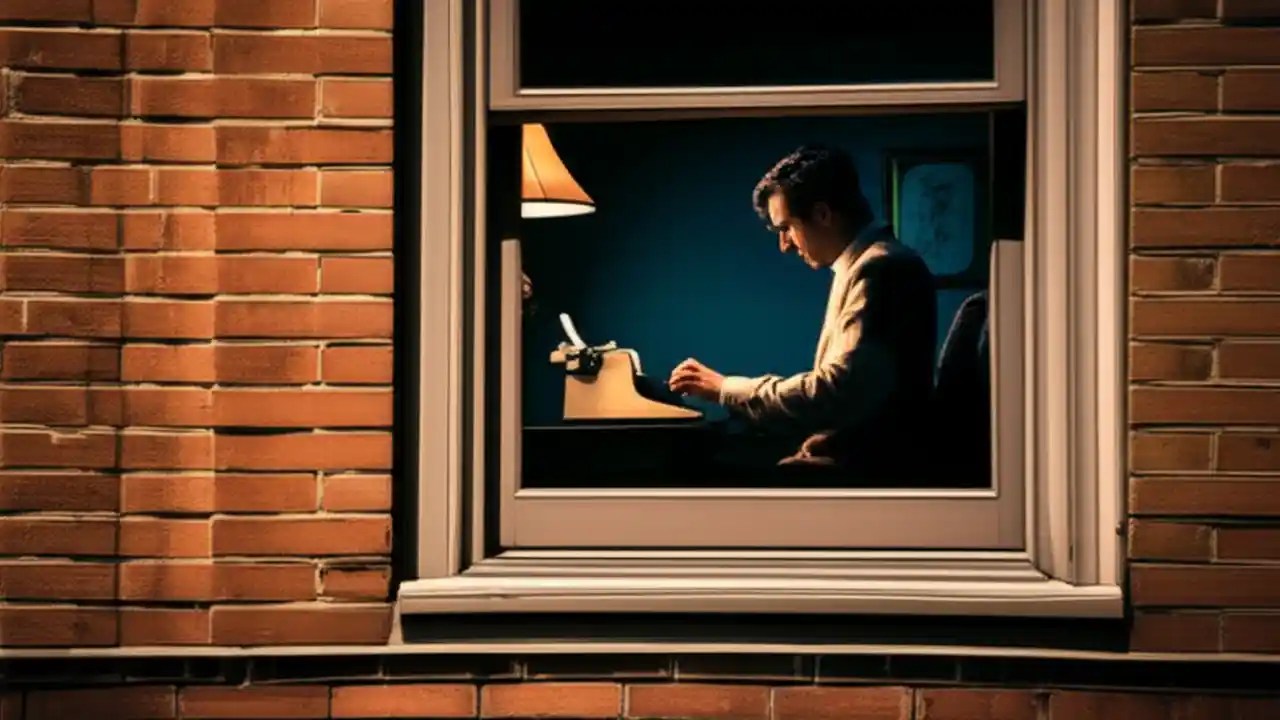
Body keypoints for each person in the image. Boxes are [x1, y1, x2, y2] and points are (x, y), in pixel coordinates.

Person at [667, 145, 937, 481]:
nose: (785, 245)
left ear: (823, 214)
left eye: (786, 228)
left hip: (865, 470)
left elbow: (838, 393)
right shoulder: (865, 265)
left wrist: (726, 389)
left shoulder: (880, 267)